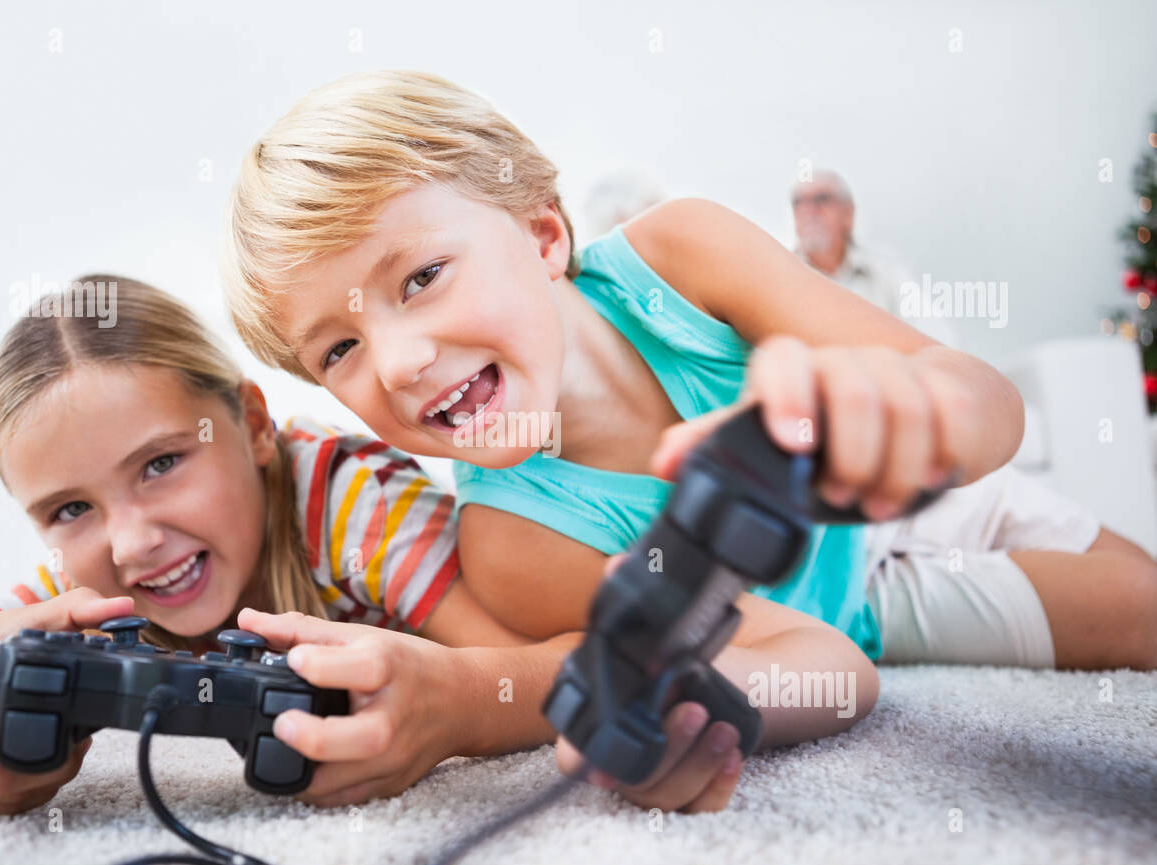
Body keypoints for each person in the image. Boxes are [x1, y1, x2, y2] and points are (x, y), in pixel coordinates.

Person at [220, 71, 1157, 693]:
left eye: (421, 278)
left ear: (545, 236)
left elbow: (982, 402)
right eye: (337, 351)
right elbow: (804, 672)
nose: (397, 362)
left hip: (925, 503)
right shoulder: (510, 543)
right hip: (863, 604)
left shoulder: (682, 251)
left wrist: (927, 420)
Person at [0, 276, 564, 815]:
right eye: (72, 508)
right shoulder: (86, 591)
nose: (133, 543)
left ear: (255, 424)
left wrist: (464, 705)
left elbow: (563, 662)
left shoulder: (351, 501)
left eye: (161, 464)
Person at [792, 170, 959, 348]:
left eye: (822, 199)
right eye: (798, 202)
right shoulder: (785, 275)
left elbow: (935, 334)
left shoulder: (886, 269)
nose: (808, 210)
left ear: (848, 213)